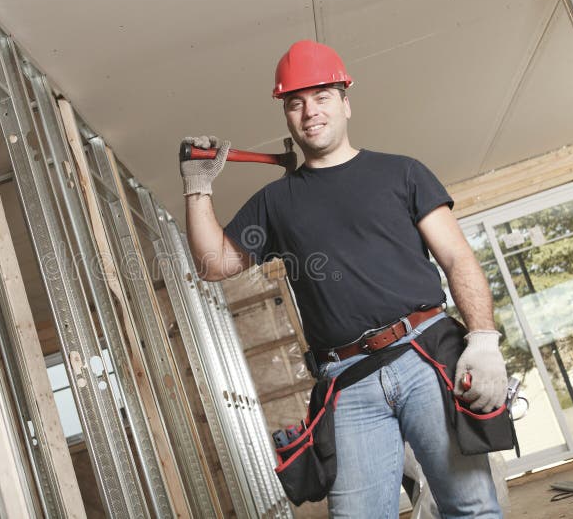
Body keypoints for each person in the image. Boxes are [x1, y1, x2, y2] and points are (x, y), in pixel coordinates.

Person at [180, 40, 508, 518]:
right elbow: (214, 265)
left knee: (471, 508)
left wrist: (483, 340)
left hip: (422, 355)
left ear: (346, 102)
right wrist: (197, 186)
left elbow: (457, 258)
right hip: (346, 382)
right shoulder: (275, 204)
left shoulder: (403, 173)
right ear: (287, 115)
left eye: (322, 96)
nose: (310, 111)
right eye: (296, 102)